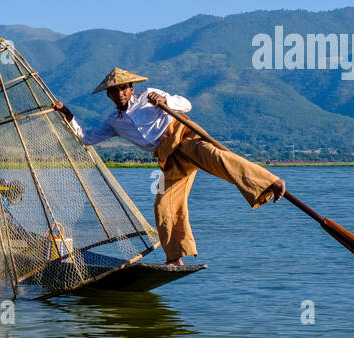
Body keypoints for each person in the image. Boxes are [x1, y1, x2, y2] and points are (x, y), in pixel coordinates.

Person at [54, 67, 285, 265]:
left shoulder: (149, 96)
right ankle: (175, 257)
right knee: (164, 205)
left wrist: (166, 102)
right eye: (114, 90)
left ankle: (270, 182)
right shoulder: (114, 122)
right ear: (109, 96)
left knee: (218, 157)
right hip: (168, 157)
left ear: (132, 89)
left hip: (183, 137)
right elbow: (85, 138)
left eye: (124, 88)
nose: (120, 93)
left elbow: (186, 104)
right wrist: (67, 113)